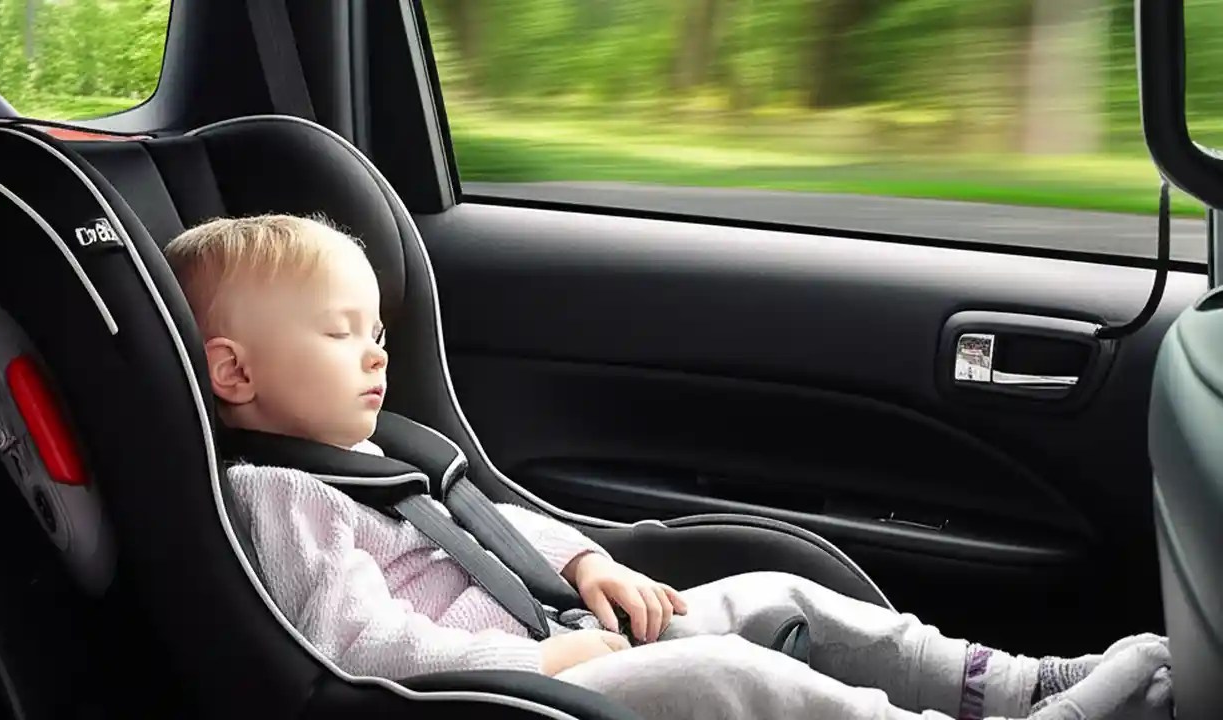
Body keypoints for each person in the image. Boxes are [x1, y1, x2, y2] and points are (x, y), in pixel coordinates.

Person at [162, 214, 1173, 720]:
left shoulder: (380, 454)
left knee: (778, 594)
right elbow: (363, 651)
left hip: (559, 633)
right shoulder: (279, 495)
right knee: (725, 672)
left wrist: (582, 567)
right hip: (518, 698)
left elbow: (486, 524)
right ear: (235, 371)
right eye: (343, 335)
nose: (378, 353)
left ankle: (1004, 683)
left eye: (378, 330)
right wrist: (544, 663)